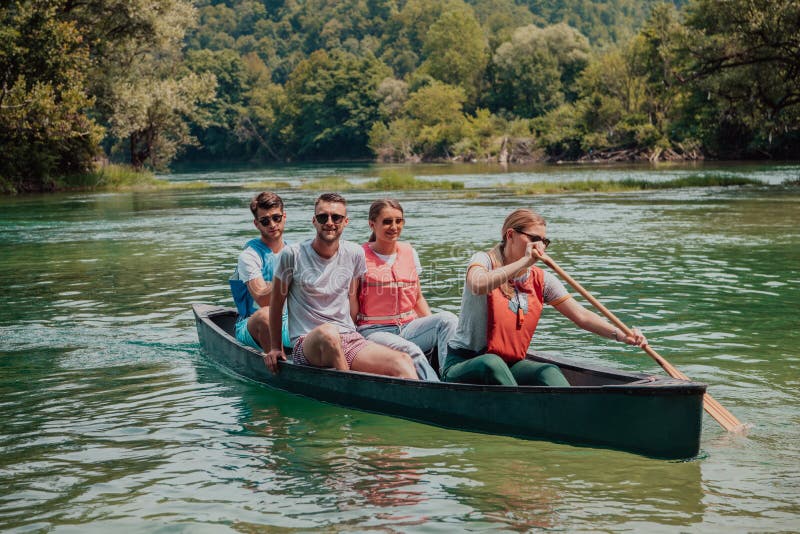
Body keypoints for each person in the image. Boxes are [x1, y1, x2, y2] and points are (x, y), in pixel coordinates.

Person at [442, 208, 647, 386]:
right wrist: (524, 262)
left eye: (544, 241)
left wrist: (621, 335)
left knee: (548, 371)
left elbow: (581, 316)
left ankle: (571, 414)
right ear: (510, 235)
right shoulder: (483, 260)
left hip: (510, 366)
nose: (540, 246)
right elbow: (477, 285)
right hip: (464, 364)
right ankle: (525, 409)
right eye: (533, 239)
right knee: (490, 363)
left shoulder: (542, 279)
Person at [264, 192, 418, 379]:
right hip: (307, 342)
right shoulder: (291, 255)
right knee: (328, 334)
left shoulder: (354, 253)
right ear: (314, 221)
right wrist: (275, 348)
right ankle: (350, 389)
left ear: (345, 222)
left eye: (336, 217)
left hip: (348, 337)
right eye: (323, 217)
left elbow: (352, 299)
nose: (330, 222)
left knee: (402, 360)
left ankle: (422, 404)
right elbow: (277, 303)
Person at [353, 199, 457, 381]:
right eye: (387, 221)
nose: (394, 226)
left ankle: (452, 379)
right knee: (412, 351)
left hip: (409, 327)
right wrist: (350, 338)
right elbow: (352, 300)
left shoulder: (410, 252)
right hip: (373, 331)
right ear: (372, 224)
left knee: (448, 320)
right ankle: (436, 390)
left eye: (398, 221)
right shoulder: (358, 256)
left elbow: (417, 298)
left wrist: (431, 327)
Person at [229, 191, 290, 352]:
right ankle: (277, 360)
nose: (272, 224)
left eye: (276, 218)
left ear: (284, 217)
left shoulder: (294, 251)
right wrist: (289, 274)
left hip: (289, 322)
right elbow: (263, 301)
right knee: (266, 315)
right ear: (257, 224)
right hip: (253, 325)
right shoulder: (249, 256)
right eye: (265, 220)